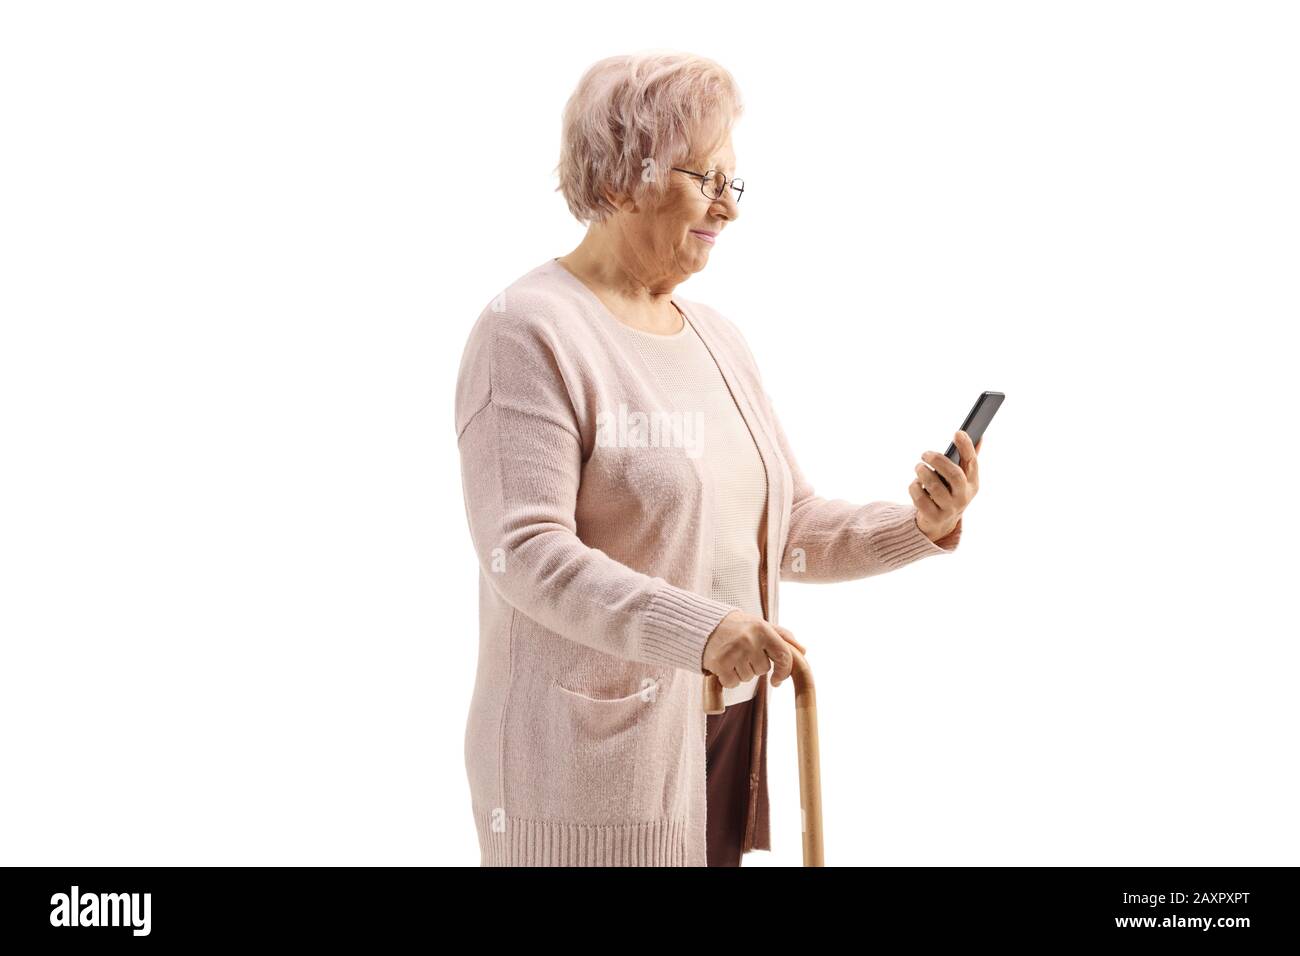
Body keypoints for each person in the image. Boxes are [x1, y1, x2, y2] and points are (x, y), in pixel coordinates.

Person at [454, 50, 981, 866]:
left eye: (733, 182)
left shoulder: (717, 339)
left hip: (724, 733)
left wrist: (918, 522)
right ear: (627, 174)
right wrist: (698, 630)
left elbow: (791, 527)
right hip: (591, 760)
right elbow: (525, 553)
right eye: (707, 178)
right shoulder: (527, 330)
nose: (728, 208)